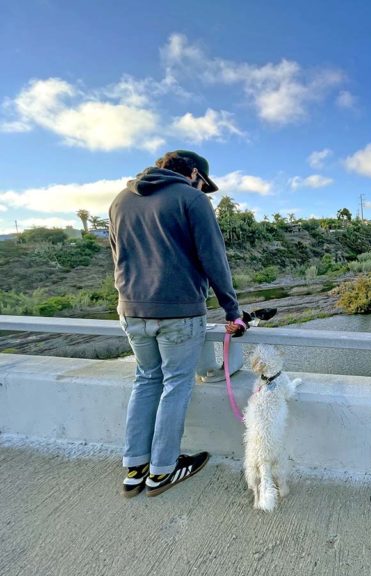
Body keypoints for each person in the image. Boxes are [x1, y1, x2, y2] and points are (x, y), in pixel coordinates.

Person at [109, 150, 247, 498]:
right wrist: (232, 311)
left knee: (145, 380)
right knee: (175, 385)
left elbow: (117, 256)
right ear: (195, 174)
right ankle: (162, 470)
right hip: (179, 314)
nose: (204, 190)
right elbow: (213, 258)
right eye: (204, 184)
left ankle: (135, 468)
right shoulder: (192, 199)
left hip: (131, 310)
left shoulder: (121, 200)